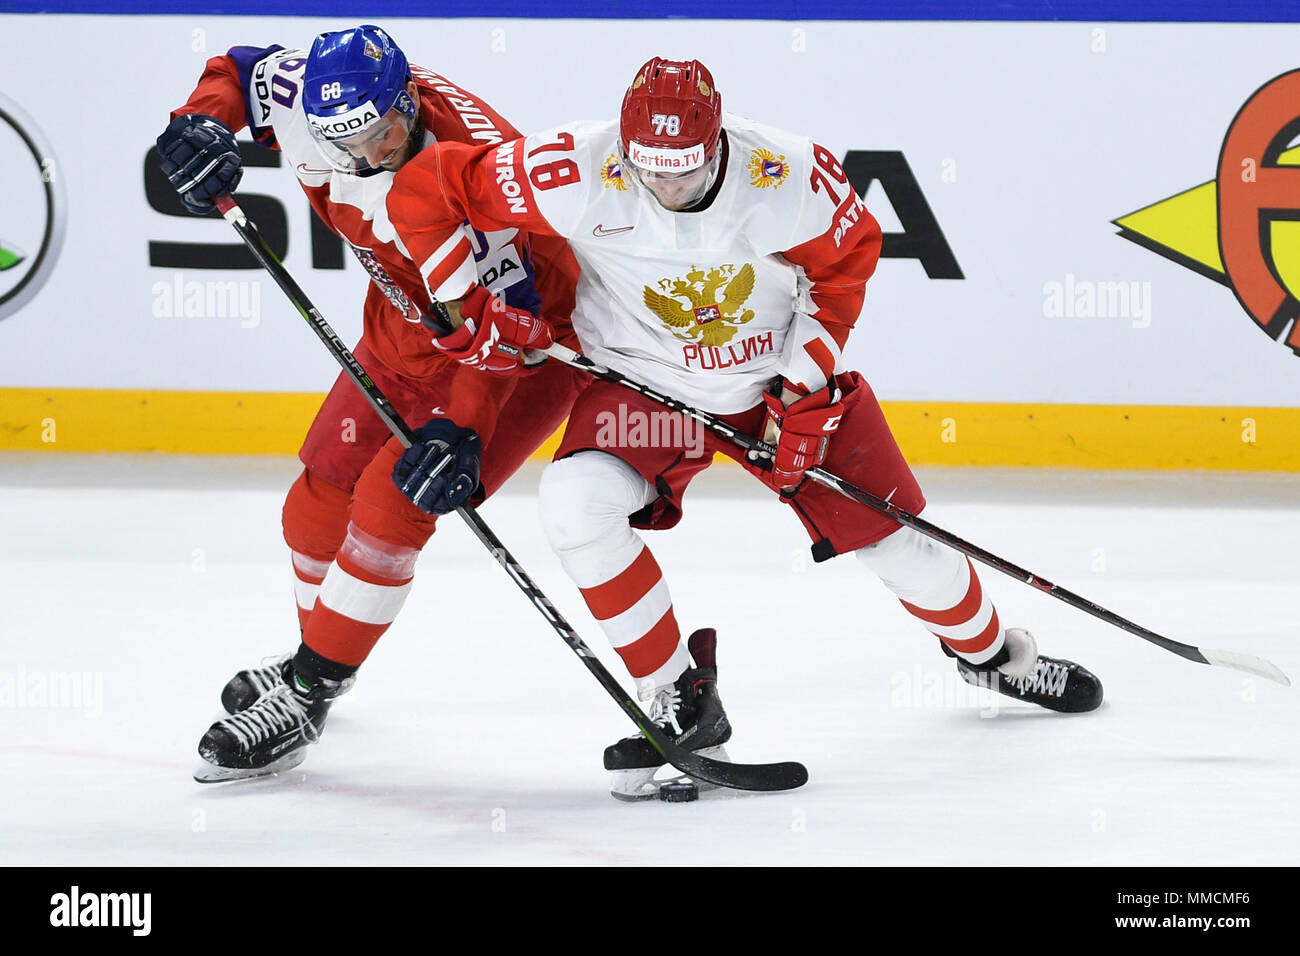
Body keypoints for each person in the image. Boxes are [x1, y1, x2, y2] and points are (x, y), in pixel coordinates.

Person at [387, 56, 1104, 799]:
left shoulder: (787, 176)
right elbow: (424, 189)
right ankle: (679, 700)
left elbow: (844, 269)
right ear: (625, 149)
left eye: (685, 175)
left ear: (718, 142)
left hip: (774, 387)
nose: (666, 190)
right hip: (647, 388)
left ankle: (994, 658)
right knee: (572, 502)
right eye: (649, 173)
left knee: (904, 551)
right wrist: (465, 306)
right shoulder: (569, 166)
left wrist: (803, 390)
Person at [156, 25, 587, 782]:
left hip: (523, 349)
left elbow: (496, 338)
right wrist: (198, 125)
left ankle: (307, 691)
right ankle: (317, 653)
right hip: (402, 330)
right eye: (343, 143)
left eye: (382, 136)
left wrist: (463, 429)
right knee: (314, 501)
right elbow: (240, 69)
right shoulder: (317, 95)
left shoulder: (466, 183)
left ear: (410, 102)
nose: (362, 160)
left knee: (394, 504)